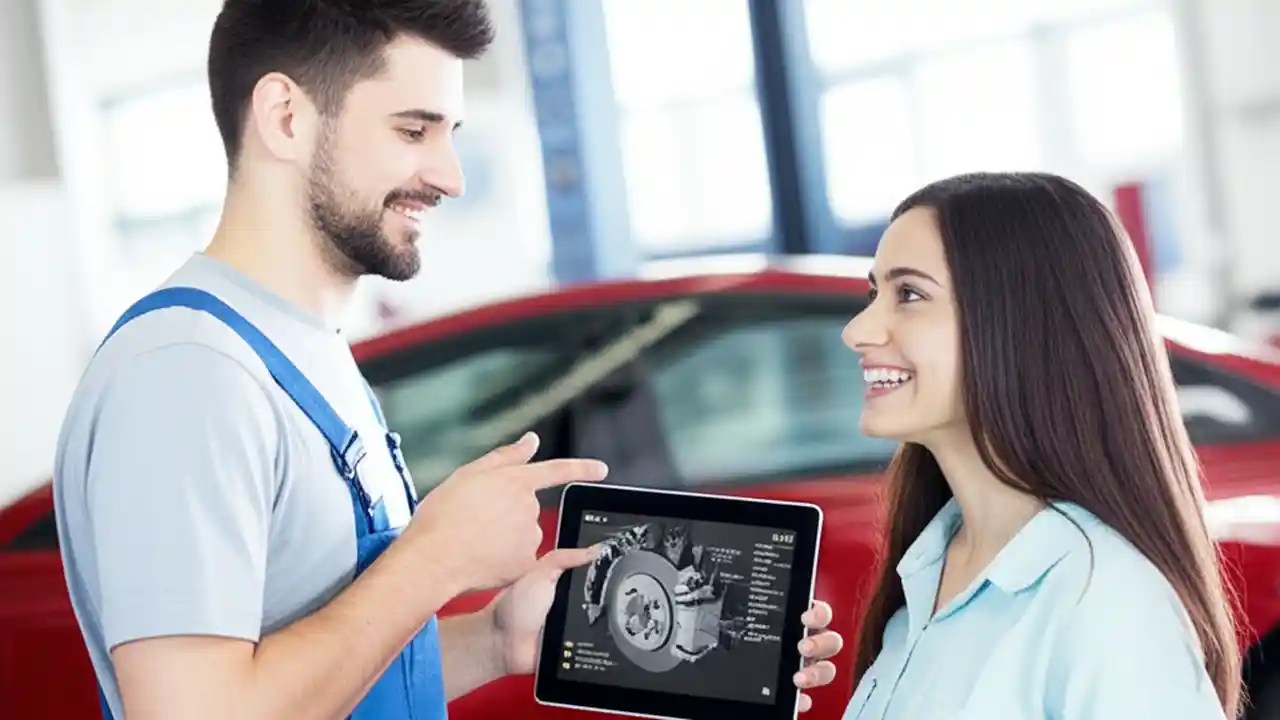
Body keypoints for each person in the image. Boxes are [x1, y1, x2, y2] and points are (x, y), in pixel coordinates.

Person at [50, 2, 844, 719]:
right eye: (412, 130)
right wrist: (432, 560)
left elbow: (328, 670)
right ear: (286, 117)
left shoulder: (307, 354)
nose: (450, 177)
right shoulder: (188, 375)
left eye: (450, 135)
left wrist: (495, 638)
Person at [839, 172, 1241, 719]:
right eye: (874, 292)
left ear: (1018, 321)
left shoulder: (1106, 599)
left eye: (909, 294)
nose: (858, 329)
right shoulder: (927, 574)